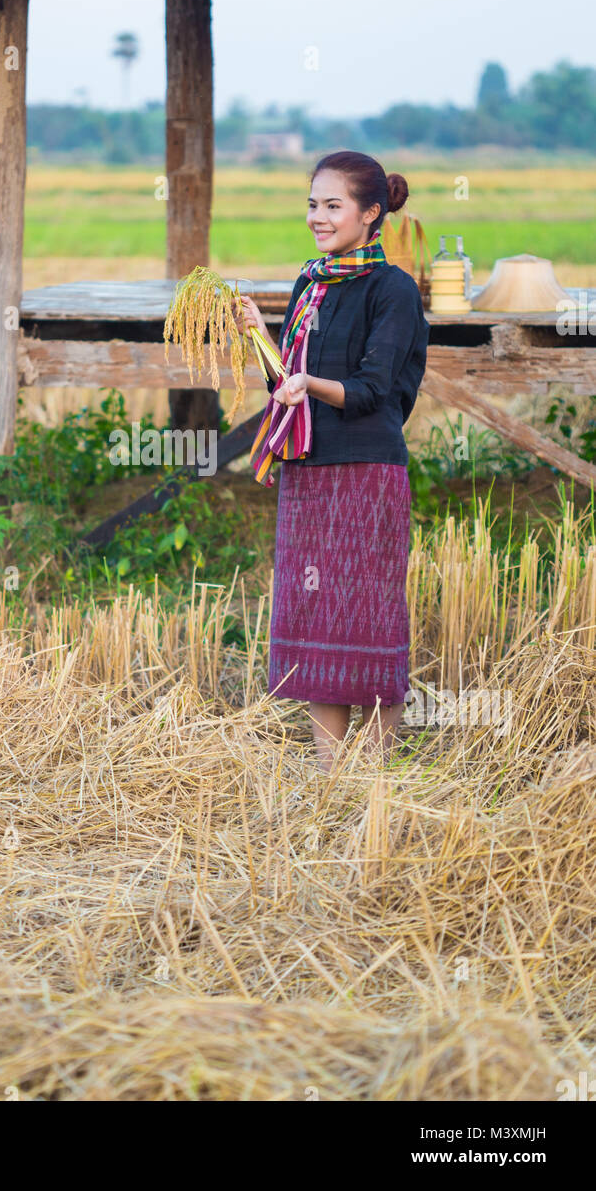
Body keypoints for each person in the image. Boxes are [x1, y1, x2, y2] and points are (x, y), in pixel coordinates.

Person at [237, 151, 429, 772]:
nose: (319, 217)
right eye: (313, 205)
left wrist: (308, 383)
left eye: (333, 205)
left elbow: (372, 390)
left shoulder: (393, 289)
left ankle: (370, 774)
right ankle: (329, 774)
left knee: (366, 617)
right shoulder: (309, 282)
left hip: (367, 471)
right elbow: (287, 384)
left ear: (371, 214)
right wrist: (259, 336)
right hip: (309, 465)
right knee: (315, 612)